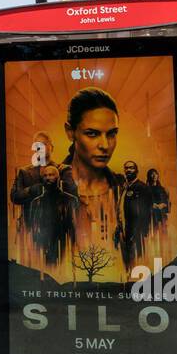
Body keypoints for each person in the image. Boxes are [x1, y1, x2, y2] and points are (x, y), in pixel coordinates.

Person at [58, 88, 125, 278]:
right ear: (70, 132)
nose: (105, 145)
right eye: (92, 134)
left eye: (112, 134)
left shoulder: (122, 188)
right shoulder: (53, 189)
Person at [146, 168, 170, 238]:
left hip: (161, 215)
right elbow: (143, 202)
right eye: (152, 174)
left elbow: (166, 202)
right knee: (153, 235)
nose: (154, 176)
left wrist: (163, 204)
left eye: (155, 174)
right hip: (151, 216)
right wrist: (151, 205)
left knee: (163, 235)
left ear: (157, 175)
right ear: (149, 176)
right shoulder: (146, 189)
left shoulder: (162, 189)